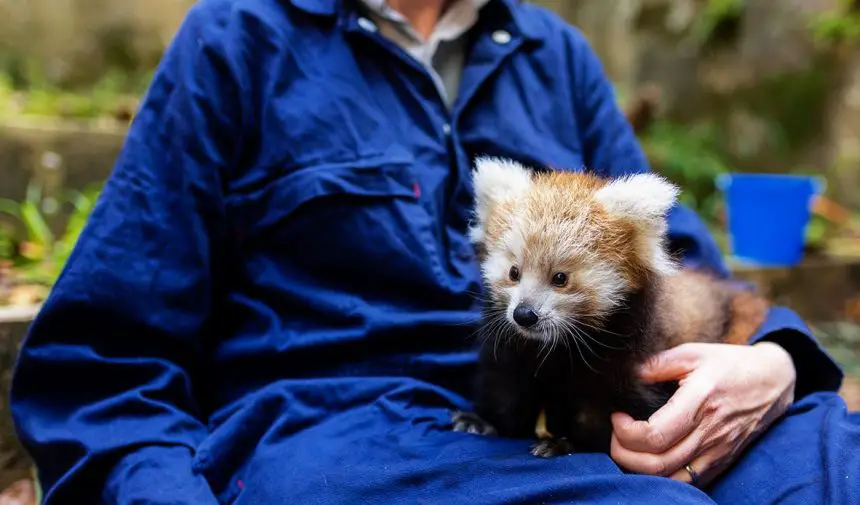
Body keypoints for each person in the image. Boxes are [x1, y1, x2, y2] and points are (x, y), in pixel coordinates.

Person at [9, 0, 859, 503]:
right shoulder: (237, 41)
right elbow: (103, 364)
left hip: (596, 408)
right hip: (341, 435)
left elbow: (686, 271)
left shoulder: (552, 52)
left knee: (834, 476)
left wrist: (778, 362)